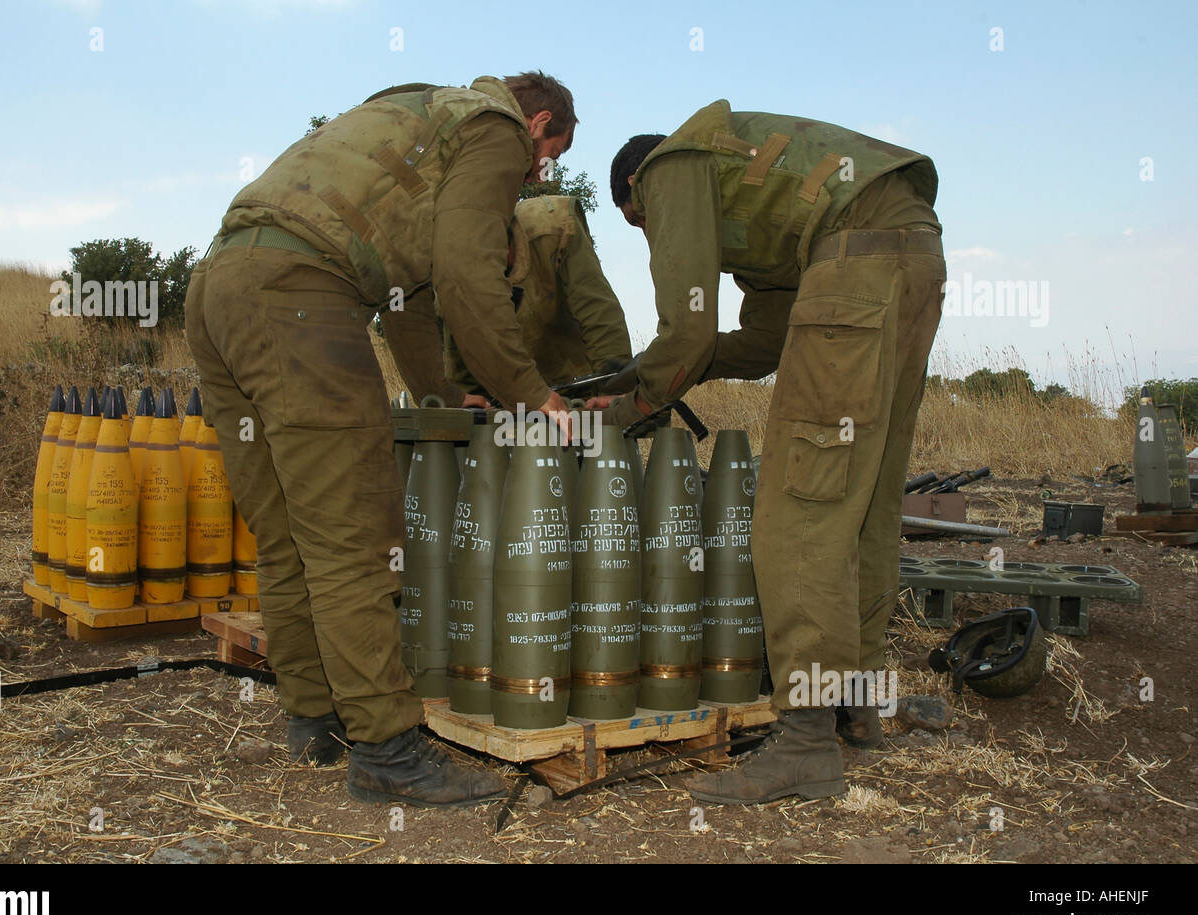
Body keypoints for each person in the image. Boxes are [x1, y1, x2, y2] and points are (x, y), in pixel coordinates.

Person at [185, 72, 576, 807]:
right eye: (545, 159)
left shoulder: (414, 116)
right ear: (538, 124)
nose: (534, 177)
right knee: (352, 541)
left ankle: (316, 722)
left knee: (288, 535)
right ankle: (386, 749)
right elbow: (463, 274)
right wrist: (535, 394)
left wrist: (437, 395)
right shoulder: (493, 129)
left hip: (218, 283)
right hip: (299, 294)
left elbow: (409, 295)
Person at [595, 100, 945, 804]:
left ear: (637, 189)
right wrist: (651, 370)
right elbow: (756, 346)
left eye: (642, 225)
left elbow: (688, 326)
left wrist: (632, 405)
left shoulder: (670, 168)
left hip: (857, 266)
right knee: (866, 500)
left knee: (797, 515)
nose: (653, 237)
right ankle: (862, 704)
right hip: (911, 256)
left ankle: (806, 741)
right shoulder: (760, 205)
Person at [378, 193, 632, 405]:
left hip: (582, 387)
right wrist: (461, 405)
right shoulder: (442, 273)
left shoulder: (554, 226)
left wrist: (615, 386)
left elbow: (598, 312)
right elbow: (460, 359)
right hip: (510, 398)